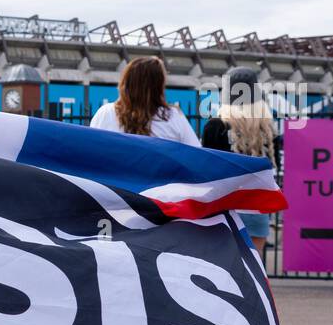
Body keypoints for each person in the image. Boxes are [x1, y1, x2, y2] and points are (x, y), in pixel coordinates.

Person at [202, 67, 278, 255]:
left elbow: (206, 170)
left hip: (224, 206)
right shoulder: (266, 128)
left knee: (226, 271)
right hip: (256, 207)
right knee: (256, 271)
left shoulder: (214, 126)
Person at [89, 56, 202, 146]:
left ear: (126, 82)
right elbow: (196, 155)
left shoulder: (105, 113)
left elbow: (91, 150)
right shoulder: (172, 116)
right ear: (158, 86)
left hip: (114, 174)